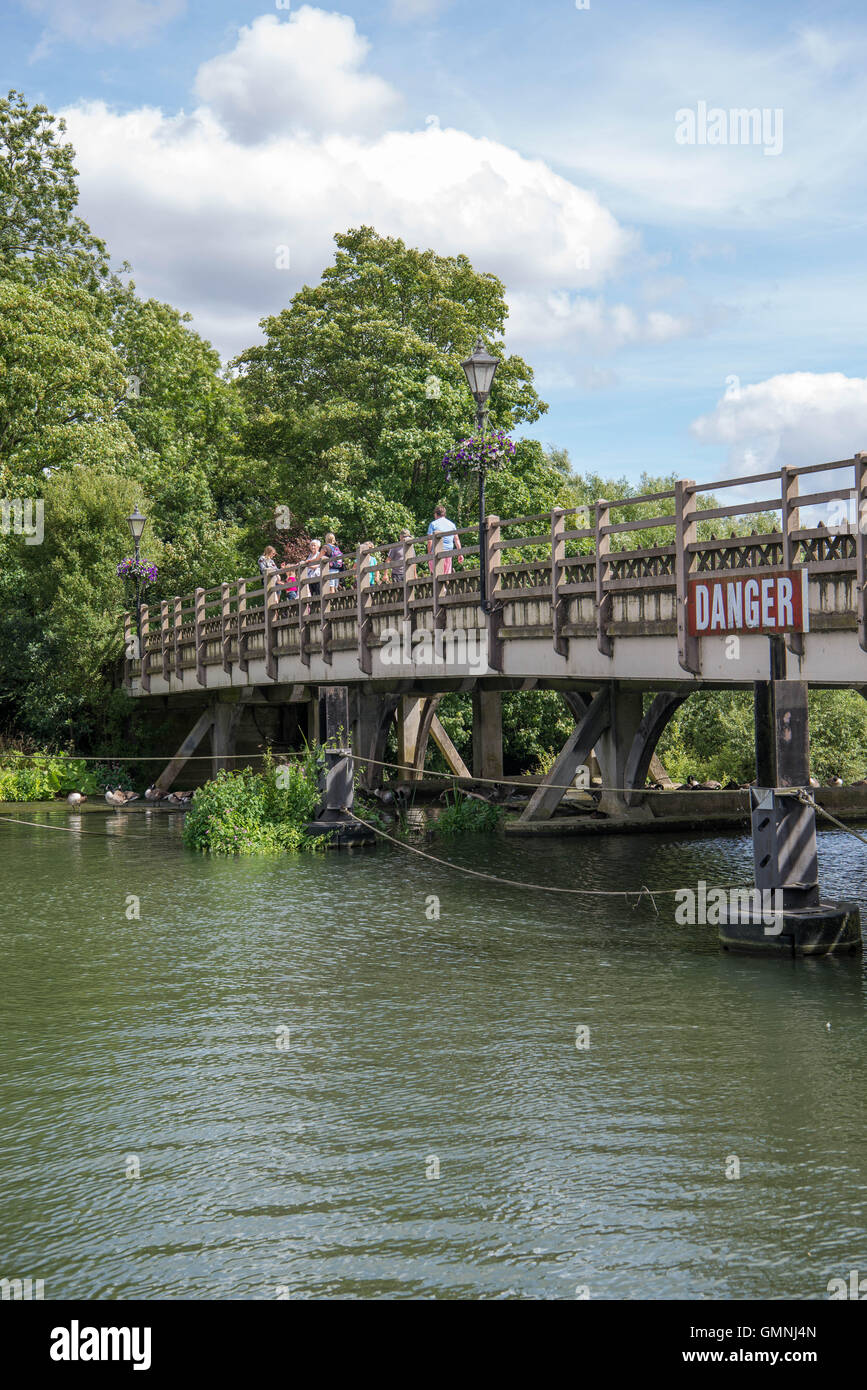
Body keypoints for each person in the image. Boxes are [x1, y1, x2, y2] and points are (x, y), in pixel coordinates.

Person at [427, 504, 462, 577]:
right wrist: (460, 553)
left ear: (436, 514)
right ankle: (445, 588)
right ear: (444, 514)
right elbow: (456, 540)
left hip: (436, 553)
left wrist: (429, 554)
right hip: (448, 553)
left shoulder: (433, 524)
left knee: (436, 576)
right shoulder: (452, 525)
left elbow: (430, 541)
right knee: (446, 576)